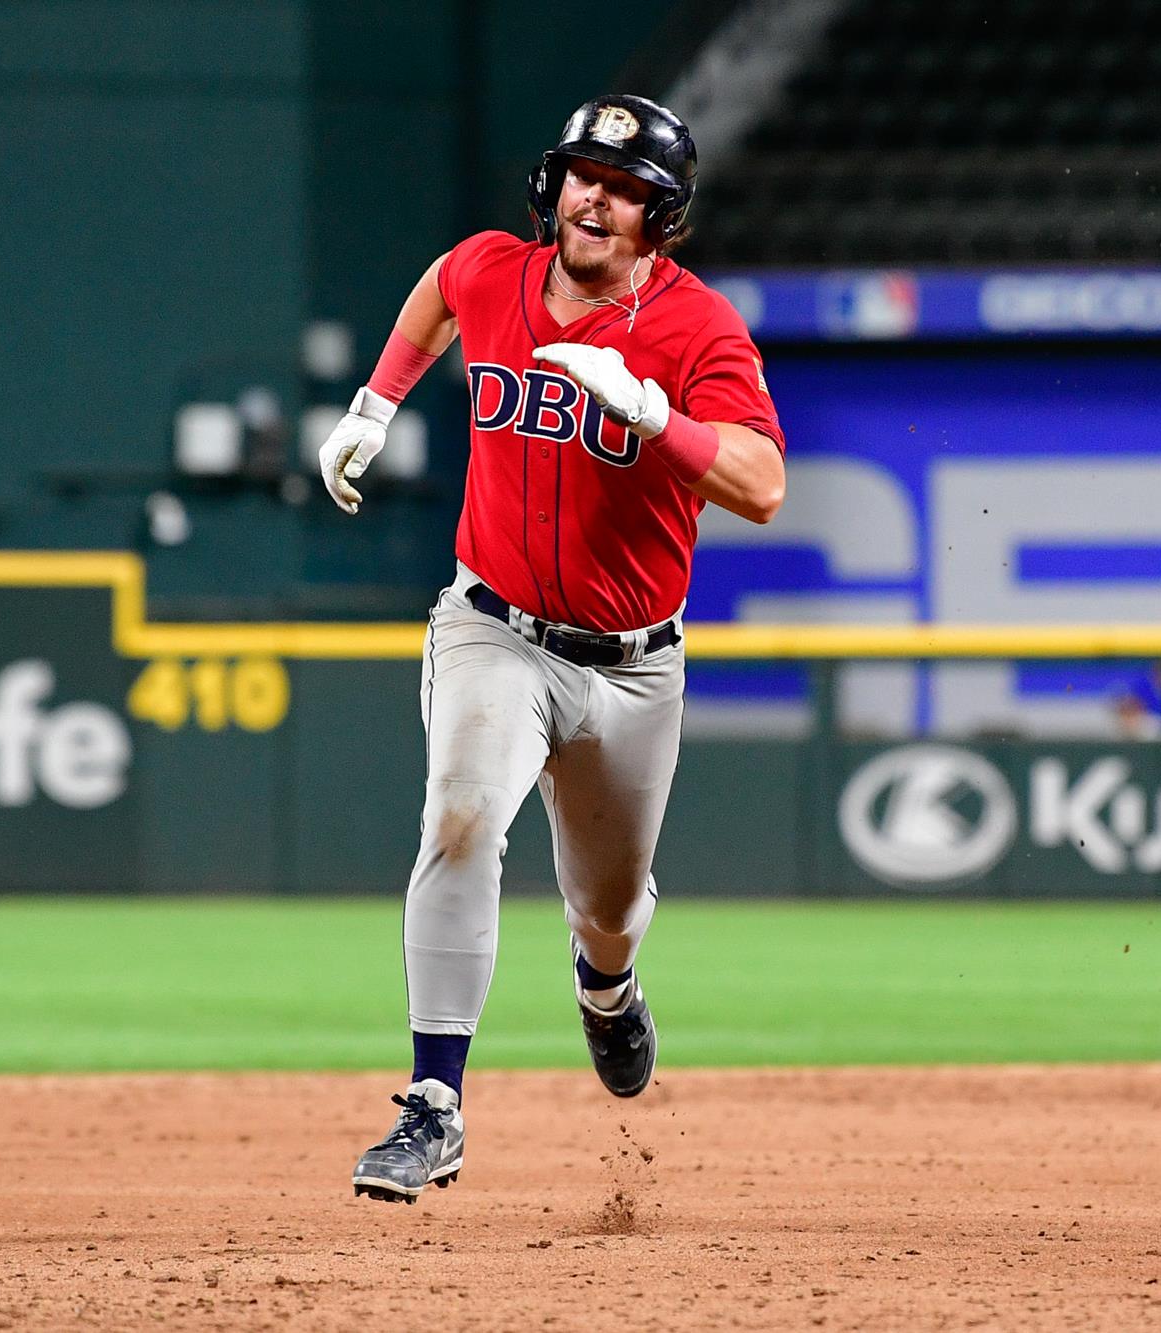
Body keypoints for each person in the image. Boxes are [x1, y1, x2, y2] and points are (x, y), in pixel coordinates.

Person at [316, 94, 785, 1204]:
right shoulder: (496, 271)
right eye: (582, 172)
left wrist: (656, 421)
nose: (594, 196)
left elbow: (762, 484)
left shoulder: (695, 329)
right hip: (495, 625)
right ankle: (434, 1105)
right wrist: (375, 404)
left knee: (609, 907)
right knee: (461, 821)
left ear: (658, 215)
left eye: (624, 187)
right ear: (553, 182)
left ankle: (607, 987)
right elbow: (440, 288)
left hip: (630, 665)